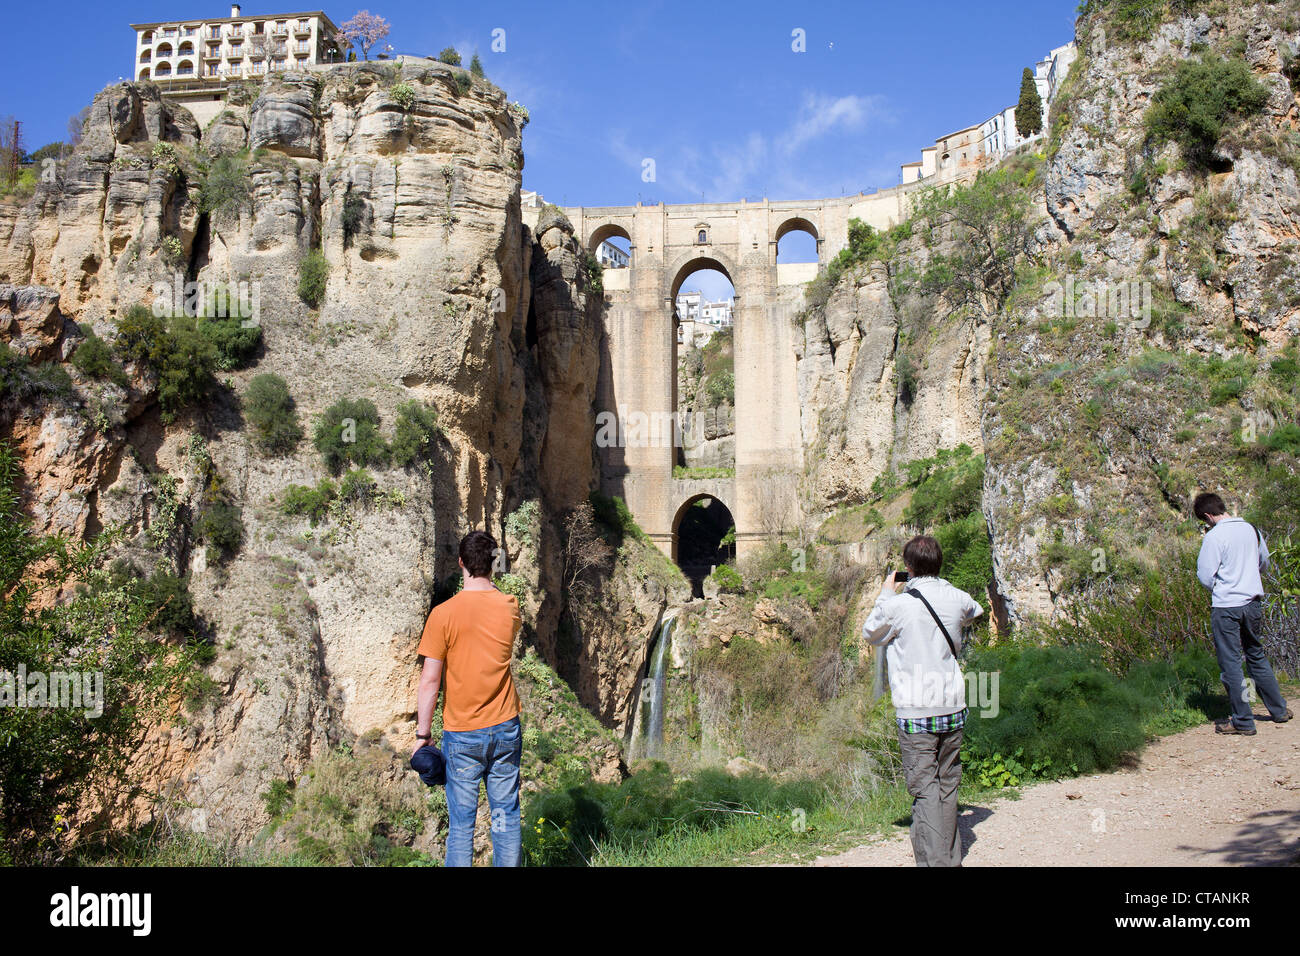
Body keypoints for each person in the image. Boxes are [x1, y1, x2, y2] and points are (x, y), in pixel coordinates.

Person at [862, 534, 983, 867]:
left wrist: (888, 590)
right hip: (953, 708)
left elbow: (870, 632)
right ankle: (944, 859)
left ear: (908, 567)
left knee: (925, 790)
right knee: (946, 786)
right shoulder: (956, 598)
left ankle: (939, 864)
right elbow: (977, 609)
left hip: (917, 712)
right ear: (939, 564)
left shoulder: (900, 604)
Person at [414, 530, 524, 866]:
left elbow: (430, 680)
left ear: (460, 563)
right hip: (505, 727)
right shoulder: (510, 608)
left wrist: (423, 735)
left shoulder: (443, 614)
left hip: (462, 734)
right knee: (505, 816)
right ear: (494, 564)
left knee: (461, 825)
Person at [1193, 492, 1292, 735]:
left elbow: (1205, 575)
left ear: (1207, 516)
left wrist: (1221, 586)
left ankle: (1243, 721)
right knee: (1256, 654)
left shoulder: (1214, 537)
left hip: (1227, 606)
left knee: (1231, 663)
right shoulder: (1251, 529)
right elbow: (1264, 562)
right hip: (1253, 602)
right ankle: (1278, 710)